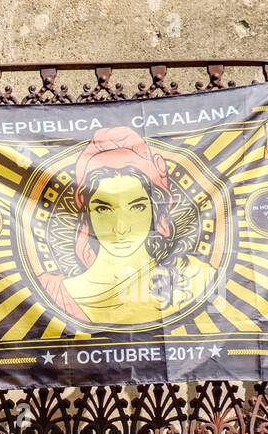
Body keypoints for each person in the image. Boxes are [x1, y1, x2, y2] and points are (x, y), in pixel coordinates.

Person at [38, 127, 215, 326]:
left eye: (137, 207)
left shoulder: (194, 276)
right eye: (104, 209)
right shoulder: (50, 289)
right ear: (86, 214)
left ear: (156, 210)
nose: (120, 228)